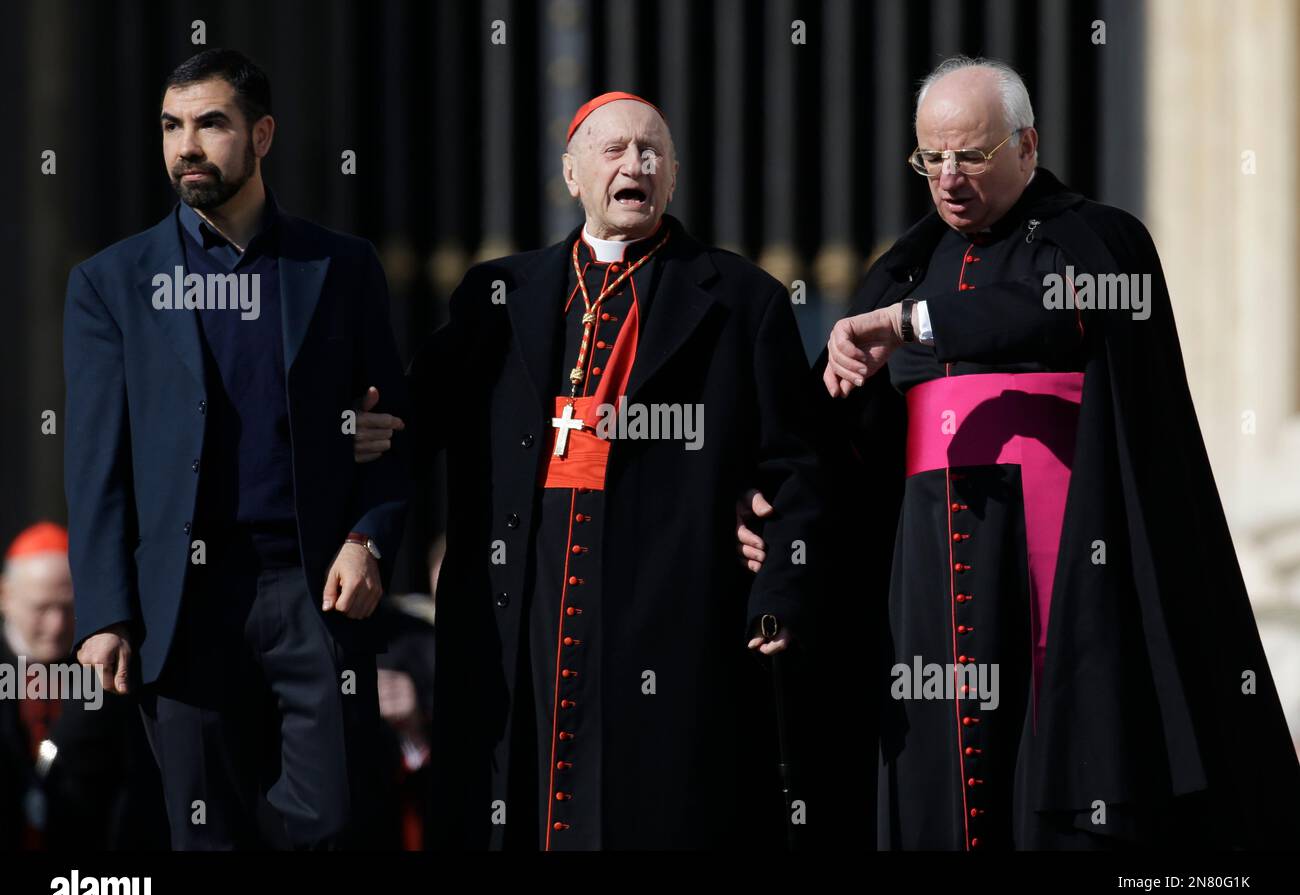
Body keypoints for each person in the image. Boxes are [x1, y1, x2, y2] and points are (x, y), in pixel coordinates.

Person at [741, 56, 1300, 849]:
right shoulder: (902, 268)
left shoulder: (1097, 238)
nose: (948, 177)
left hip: (1064, 566)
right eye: (930, 158)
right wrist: (774, 529)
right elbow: (824, 444)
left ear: (1028, 145)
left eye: (970, 154)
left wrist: (913, 325)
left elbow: (1060, 305)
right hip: (928, 590)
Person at [357, 92, 825, 850]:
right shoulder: (497, 294)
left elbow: (800, 463)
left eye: (651, 152)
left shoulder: (744, 302)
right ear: (571, 174)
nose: (634, 164)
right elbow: (412, 420)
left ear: (672, 175)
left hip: (664, 607)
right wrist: (363, 456)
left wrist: (780, 588)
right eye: (614, 150)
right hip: (520, 594)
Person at [63, 49, 410, 849]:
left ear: (261, 135)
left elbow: (393, 427)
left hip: (311, 589)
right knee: (204, 833)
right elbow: (95, 465)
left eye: (210, 124)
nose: (186, 145)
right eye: (172, 126)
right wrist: (105, 612)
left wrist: (369, 538)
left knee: (329, 827)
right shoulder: (110, 282)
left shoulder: (342, 266)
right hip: (178, 606)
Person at [0, 522, 167, 850]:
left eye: (67, 607)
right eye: (42, 608)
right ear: (5, 595)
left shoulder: (108, 670)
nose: (57, 624)